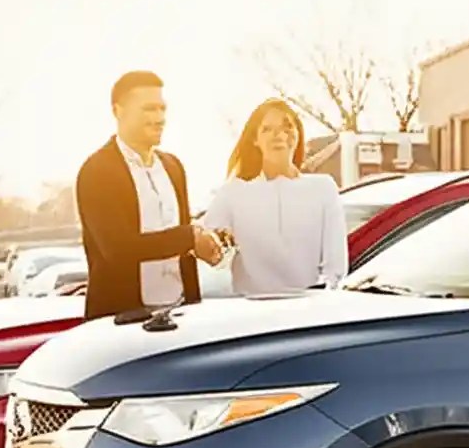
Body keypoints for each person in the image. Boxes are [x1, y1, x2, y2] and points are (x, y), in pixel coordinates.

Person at [75, 71, 221, 320]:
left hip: (180, 316)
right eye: (149, 109)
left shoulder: (173, 167)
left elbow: (183, 242)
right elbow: (117, 249)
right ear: (118, 111)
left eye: (162, 109)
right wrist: (188, 237)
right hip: (121, 323)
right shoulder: (96, 171)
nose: (159, 118)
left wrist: (203, 246)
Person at [199, 98, 347, 296]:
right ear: (255, 139)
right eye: (267, 129)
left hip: (311, 310)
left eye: (287, 127)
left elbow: (336, 264)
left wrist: (324, 300)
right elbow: (202, 245)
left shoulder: (323, 188)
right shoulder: (233, 193)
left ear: (298, 135)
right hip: (253, 314)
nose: (279, 135)